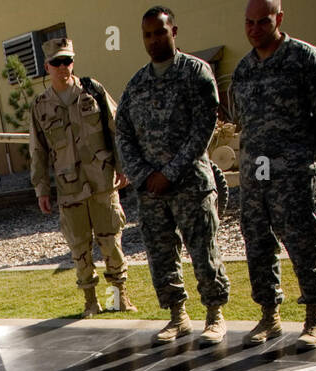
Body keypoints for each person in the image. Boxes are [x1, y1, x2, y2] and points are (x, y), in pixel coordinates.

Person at [116, 6, 231, 346]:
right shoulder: (136, 85)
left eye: (159, 32)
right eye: (147, 34)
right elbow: (123, 134)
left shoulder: (196, 72)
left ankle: (215, 315)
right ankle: (178, 316)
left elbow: (203, 127)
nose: (153, 40)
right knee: (161, 254)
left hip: (190, 184)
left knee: (203, 250)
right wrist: (144, 175)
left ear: (174, 32)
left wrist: (170, 172)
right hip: (151, 191)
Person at [231, 0, 316, 350]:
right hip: (254, 177)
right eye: (248, 23)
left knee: (304, 242)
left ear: (278, 18)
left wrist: (308, 150)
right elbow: (241, 118)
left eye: (262, 22)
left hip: (293, 174)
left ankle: (314, 317)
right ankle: (270, 316)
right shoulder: (243, 69)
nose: (253, 29)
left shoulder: (305, 59)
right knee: (259, 247)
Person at [29, 36, 135, 318]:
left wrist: (123, 166)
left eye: (67, 61)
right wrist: (41, 188)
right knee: (79, 249)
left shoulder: (92, 91)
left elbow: (116, 129)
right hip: (69, 187)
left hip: (102, 182)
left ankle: (118, 297)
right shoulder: (40, 106)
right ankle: (90, 301)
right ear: (47, 66)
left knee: (111, 242)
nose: (63, 67)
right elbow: (37, 150)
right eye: (56, 62)